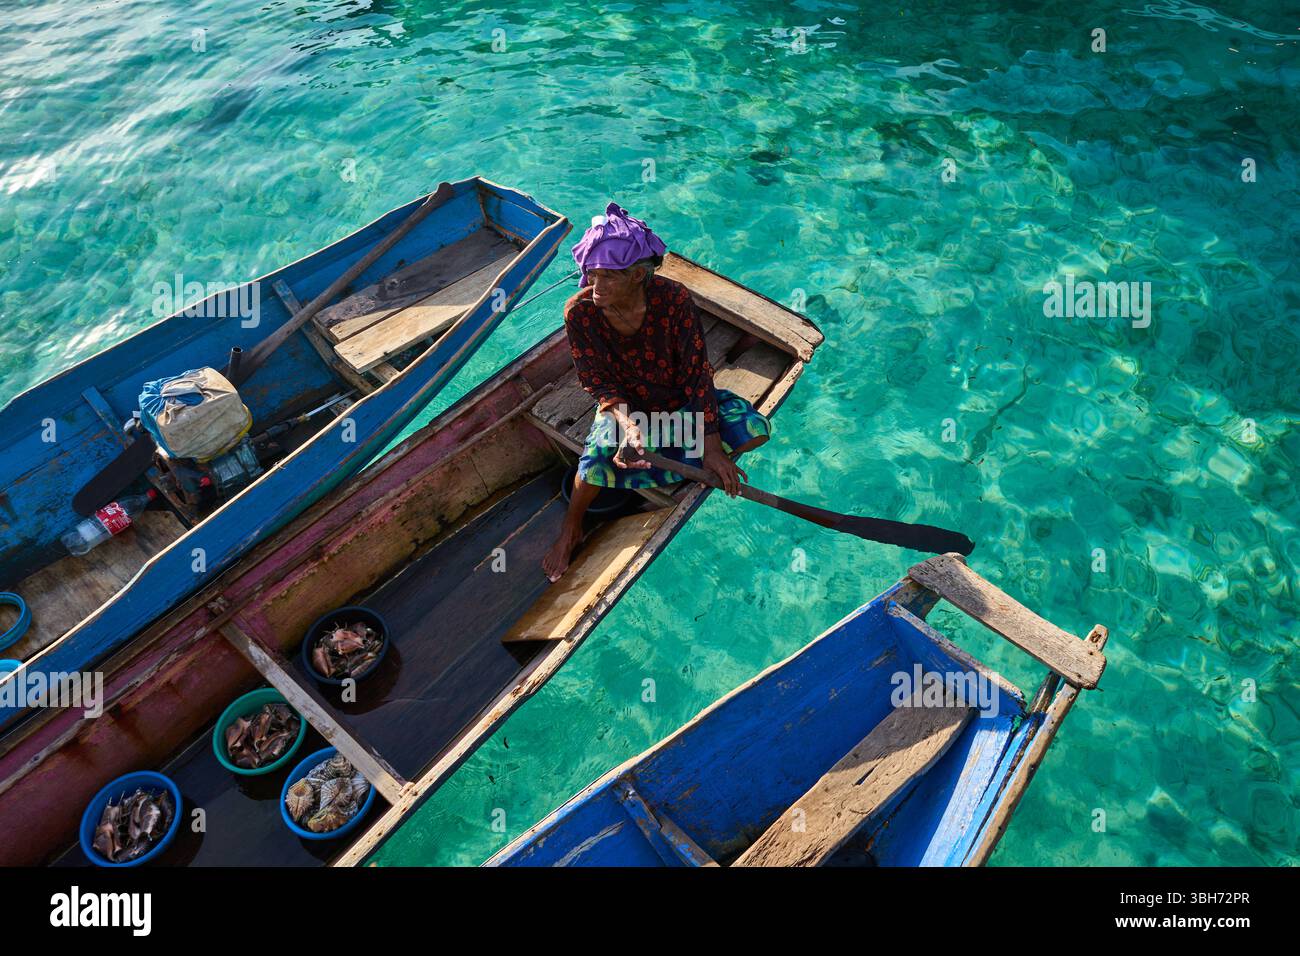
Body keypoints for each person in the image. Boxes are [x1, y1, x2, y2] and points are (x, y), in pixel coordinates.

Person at [542, 203, 772, 581]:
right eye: (591, 275)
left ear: (637, 275)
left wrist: (712, 447)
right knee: (593, 465)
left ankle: (687, 461)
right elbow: (596, 379)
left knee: (755, 431)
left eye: (607, 278)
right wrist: (627, 423)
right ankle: (572, 526)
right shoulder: (579, 311)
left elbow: (697, 374)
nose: (595, 288)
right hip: (624, 406)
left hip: (680, 401)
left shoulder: (674, 300)